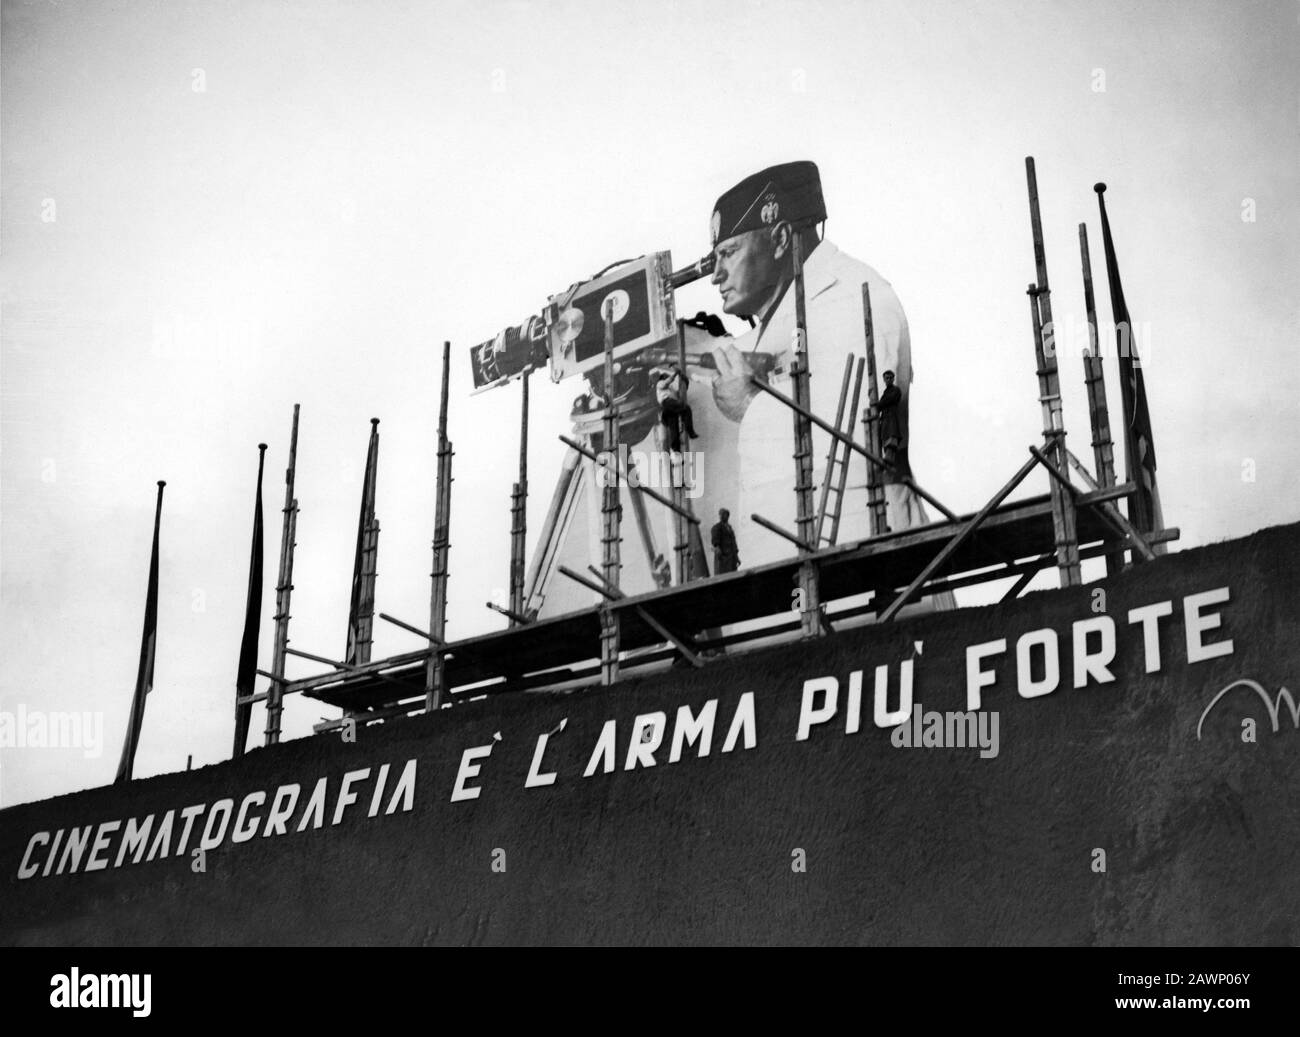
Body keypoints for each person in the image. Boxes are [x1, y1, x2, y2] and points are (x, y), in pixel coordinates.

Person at [707, 160, 936, 566]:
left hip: (864, 560)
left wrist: (748, 405)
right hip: (793, 563)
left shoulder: (853, 294)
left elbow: (856, 433)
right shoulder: (786, 312)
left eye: (728, 253)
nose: (716, 276)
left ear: (779, 238)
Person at [653, 363, 697, 452]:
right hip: (667, 403)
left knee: (674, 430)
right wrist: (676, 373)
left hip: (670, 408)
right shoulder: (660, 384)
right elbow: (667, 382)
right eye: (666, 377)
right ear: (663, 377)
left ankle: (676, 450)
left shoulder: (670, 390)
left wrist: (684, 380)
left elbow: (680, 393)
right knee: (686, 409)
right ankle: (690, 431)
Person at [876, 369, 902, 469]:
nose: (889, 380)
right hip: (885, 421)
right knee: (886, 441)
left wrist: (878, 404)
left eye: (891, 378)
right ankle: (886, 463)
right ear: (884, 379)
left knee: (892, 440)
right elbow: (879, 407)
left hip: (891, 419)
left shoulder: (896, 390)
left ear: (893, 379)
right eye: (887, 378)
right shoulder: (885, 393)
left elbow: (887, 400)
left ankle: (888, 462)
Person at [711, 508, 740, 573]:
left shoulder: (730, 528)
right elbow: (715, 539)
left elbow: (733, 542)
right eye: (720, 514)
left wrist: (736, 557)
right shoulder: (717, 527)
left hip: (731, 556)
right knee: (723, 573)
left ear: (727, 516)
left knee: (732, 573)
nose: (721, 516)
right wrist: (717, 547)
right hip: (723, 555)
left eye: (724, 514)